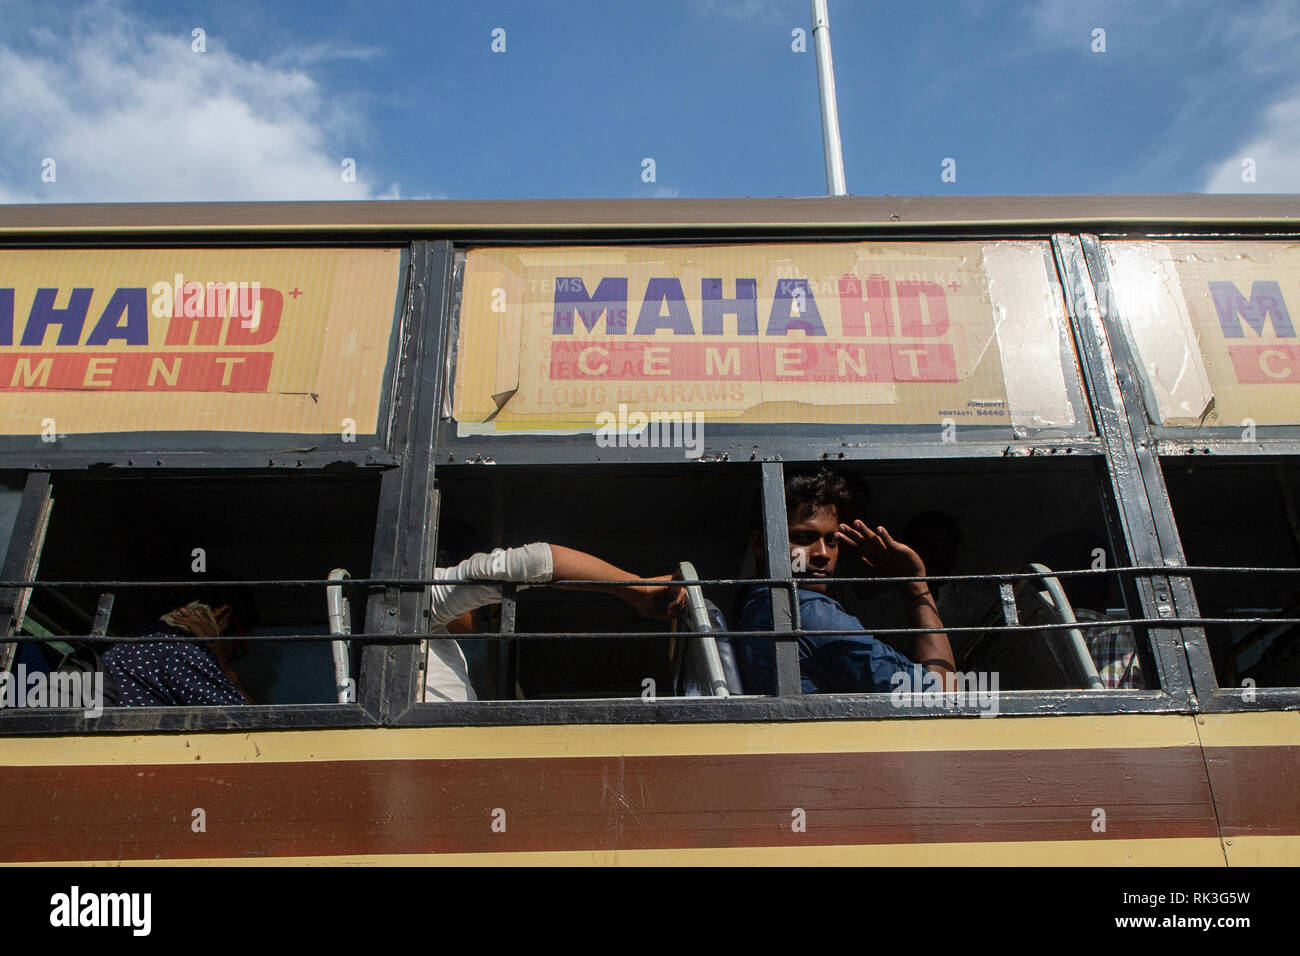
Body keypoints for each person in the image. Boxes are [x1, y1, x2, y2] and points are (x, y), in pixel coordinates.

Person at [735, 468, 955, 694]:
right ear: (761, 544)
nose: (823, 553)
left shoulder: (758, 602)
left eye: (832, 540)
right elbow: (942, 694)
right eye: (803, 538)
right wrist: (915, 585)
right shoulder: (808, 612)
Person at [424, 542, 686, 701]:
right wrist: (637, 589)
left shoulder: (439, 644)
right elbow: (537, 561)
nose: (479, 622)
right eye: (478, 613)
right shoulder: (419, 600)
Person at [102, 596, 255, 706]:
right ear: (222, 616)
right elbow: (247, 723)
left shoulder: (124, 646)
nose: (232, 655)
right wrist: (223, 663)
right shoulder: (179, 651)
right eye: (236, 647)